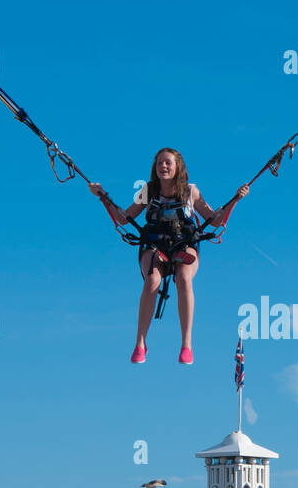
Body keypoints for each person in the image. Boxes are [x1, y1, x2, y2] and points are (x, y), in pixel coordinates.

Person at [89, 148, 249, 366]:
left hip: (184, 244)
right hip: (155, 245)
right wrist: (103, 196)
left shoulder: (190, 191)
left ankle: (186, 344)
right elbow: (123, 218)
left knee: (184, 277)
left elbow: (212, 219)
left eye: (168, 163)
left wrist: (235, 200)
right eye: (159, 163)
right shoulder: (149, 191)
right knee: (153, 279)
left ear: (177, 167)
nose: (163, 167)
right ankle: (140, 343)